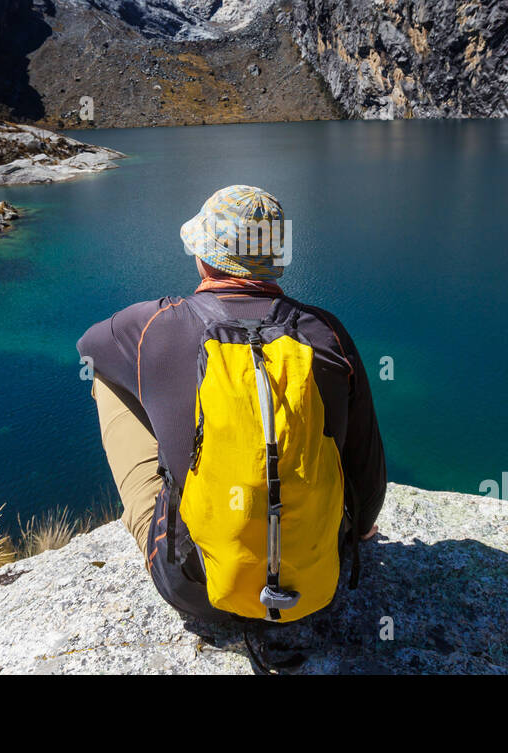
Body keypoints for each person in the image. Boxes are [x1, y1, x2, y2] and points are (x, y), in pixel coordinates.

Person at [76, 185, 386, 624]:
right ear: (277, 258)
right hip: (315, 577)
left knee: (105, 378)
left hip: (196, 588)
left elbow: (88, 347)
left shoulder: (153, 325)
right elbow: (365, 460)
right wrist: (363, 526)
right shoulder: (326, 331)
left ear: (204, 257)